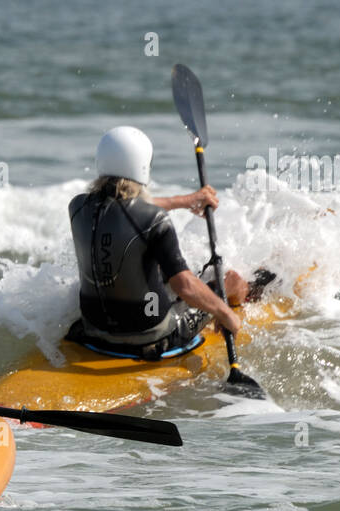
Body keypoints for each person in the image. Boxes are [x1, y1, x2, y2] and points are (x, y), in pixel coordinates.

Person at [67, 126, 250, 360]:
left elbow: (125, 211)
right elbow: (183, 285)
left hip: (92, 332)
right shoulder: (155, 220)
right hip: (154, 338)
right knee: (232, 280)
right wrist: (222, 311)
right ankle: (239, 311)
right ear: (144, 166)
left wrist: (187, 201)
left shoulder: (78, 207)